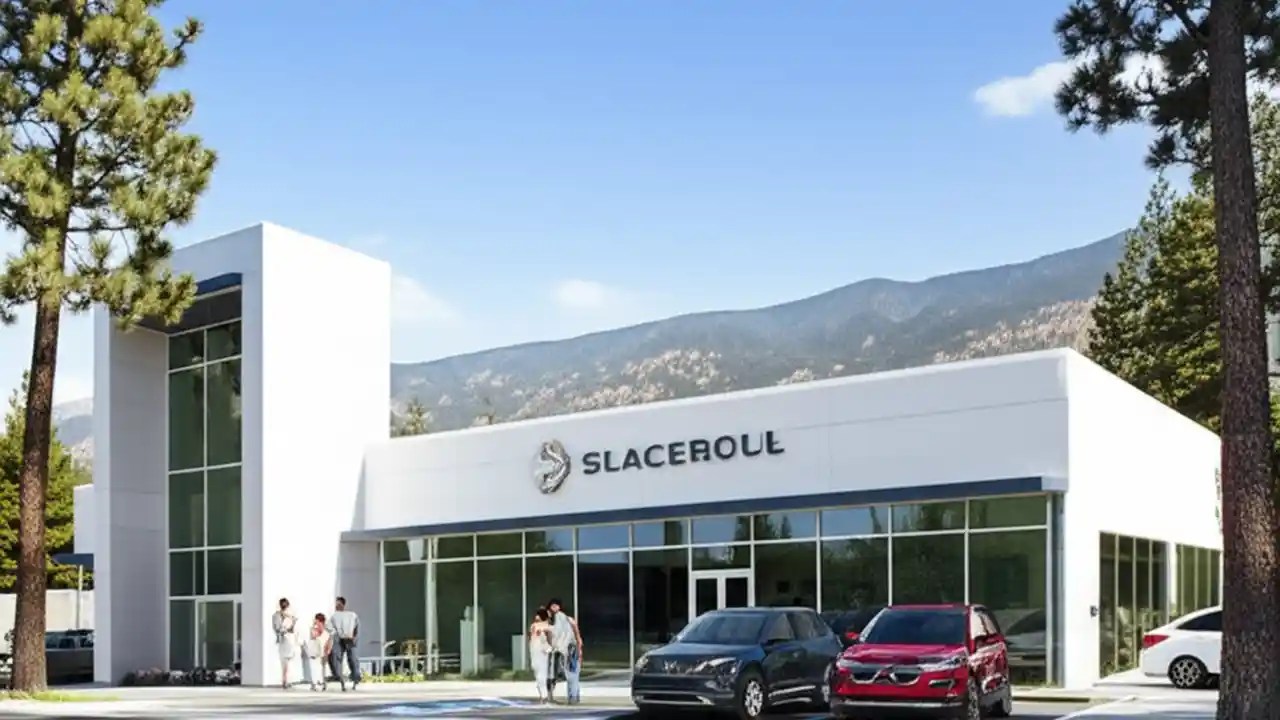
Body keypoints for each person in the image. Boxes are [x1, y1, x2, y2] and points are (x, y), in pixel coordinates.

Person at [547, 597, 583, 705]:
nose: (554, 608)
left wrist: (579, 648)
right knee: (562, 674)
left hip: (570, 649)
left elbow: (577, 635)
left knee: (572, 673)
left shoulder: (568, 620)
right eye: (552, 606)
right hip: (559, 650)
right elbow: (549, 637)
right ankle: (571, 697)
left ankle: (573, 697)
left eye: (556, 605)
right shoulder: (551, 622)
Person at [326, 596, 361, 691]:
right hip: (340, 638)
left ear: (343, 605)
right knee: (336, 658)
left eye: (339, 604)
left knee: (353, 659)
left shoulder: (352, 615)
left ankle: (355, 677)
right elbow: (329, 627)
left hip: (349, 638)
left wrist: (354, 637)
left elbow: (357, 627)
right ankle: (340, 678)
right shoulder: (334, 616)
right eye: (336, 605)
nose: (337, 606)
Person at [528, 607, 554, 704]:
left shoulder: (546, 627)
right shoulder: (535, 626)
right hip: (536, 650)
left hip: (541, 651)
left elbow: (549, 638)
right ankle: (543, 695)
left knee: (541, 673)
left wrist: (549, 647)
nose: (536, 616)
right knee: (539, 672)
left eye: (538, 615)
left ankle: (544, 696)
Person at [271, 598, 298, 690]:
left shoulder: (291, 616)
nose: (284, 606)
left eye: (285, 604)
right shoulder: (276, 615)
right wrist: (280, 632)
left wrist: (288, 628)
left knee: (289, 661)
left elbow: (293, 628)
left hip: (289, 640)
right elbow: (275, 627)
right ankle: (284, 680)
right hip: (281, 640)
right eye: (282, 604)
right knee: (283, 661)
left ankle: (287, 680)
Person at [301, 612, 332, 691]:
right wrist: (328, 649)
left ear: (318, 620)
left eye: (316, 620)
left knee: (317, 667)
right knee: (321, 667)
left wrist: (313, 627)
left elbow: (314, 636)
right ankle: (321, 683)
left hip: (319, 650)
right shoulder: (325, 630)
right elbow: (329, 640)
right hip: (321, 650)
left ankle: (317, 684)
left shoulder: (317, 629)